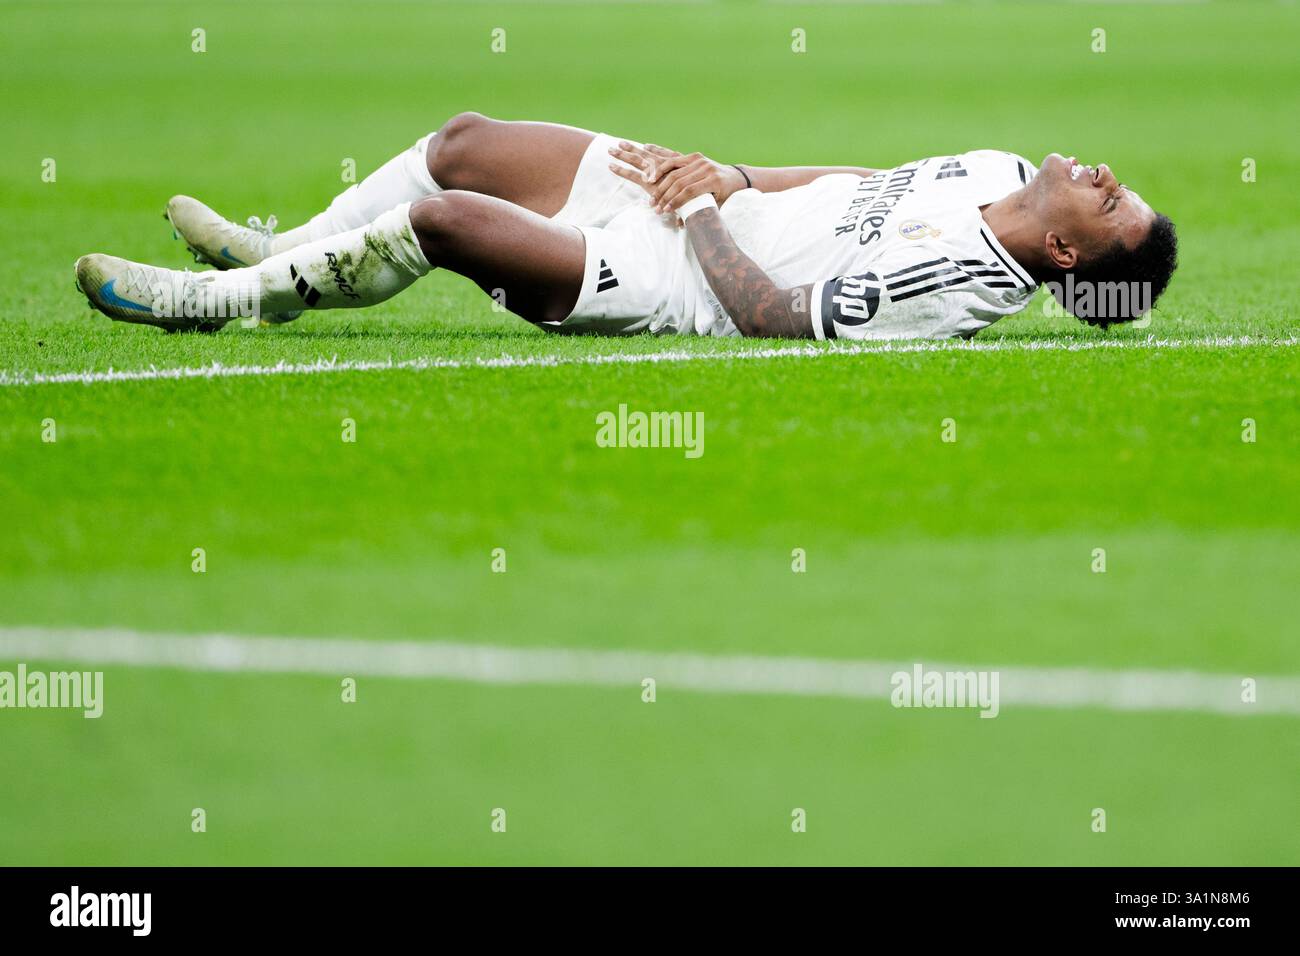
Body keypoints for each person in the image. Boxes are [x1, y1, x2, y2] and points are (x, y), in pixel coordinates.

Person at [75, 112, 1177, 339]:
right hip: (702, 201)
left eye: (1112, 199)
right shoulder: (992, 164)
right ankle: (281, 254)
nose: (1106, 171)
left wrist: (698, 215)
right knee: (466, 140)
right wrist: (733, 171)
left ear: (1068, 254)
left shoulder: (960, 285)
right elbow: (862, 175)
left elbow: (774, 316)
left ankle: (208, 303)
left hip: (670, 279)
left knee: (448, 218)